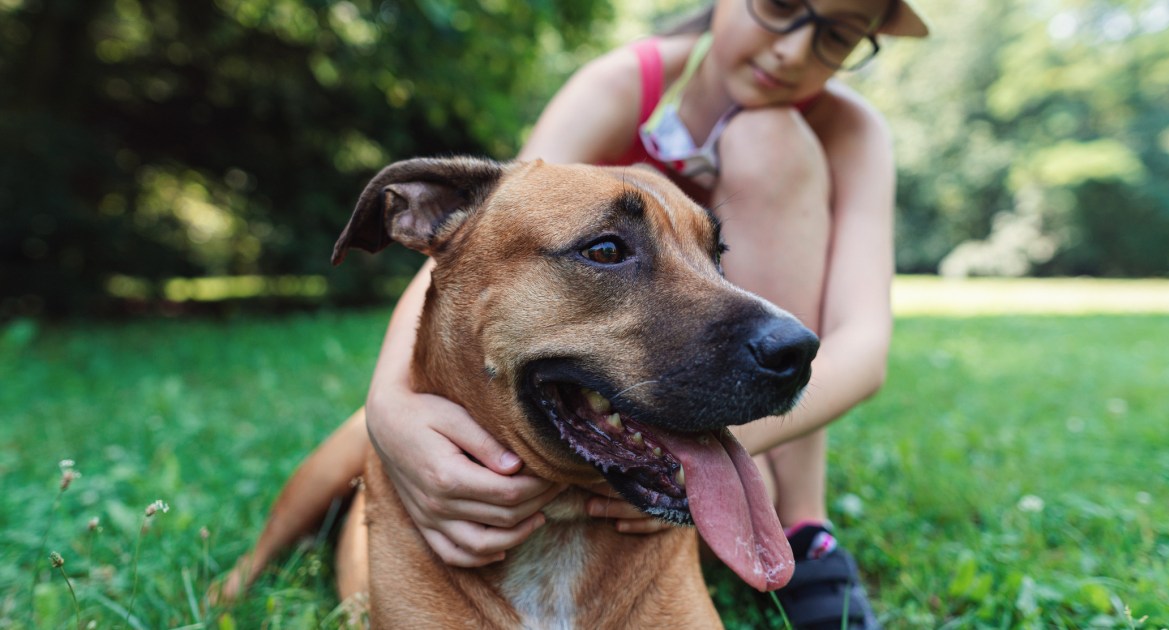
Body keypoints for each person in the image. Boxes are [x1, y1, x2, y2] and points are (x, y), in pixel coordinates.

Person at [362, 0, 927, 627]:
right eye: (780, 6)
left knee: (770, 140)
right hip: (642, 376)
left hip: (722, 397)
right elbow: (479, 239)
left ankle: (802, 524)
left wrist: (699, 457)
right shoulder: (621, 83)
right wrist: (388, 405)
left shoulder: (853, 128)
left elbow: (863, 345)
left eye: (838, 36)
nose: (792, 50)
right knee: (395, 420)